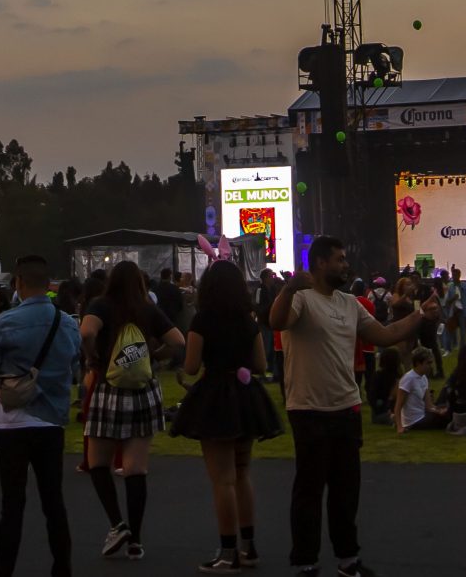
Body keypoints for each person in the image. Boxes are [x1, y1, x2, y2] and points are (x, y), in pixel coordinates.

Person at [270, 235, 437, 577]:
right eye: (340, 259)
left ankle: (348, 560)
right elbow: (275, 322)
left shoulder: (350, 303)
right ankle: (305, 561)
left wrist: (421, 315)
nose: (346, 265)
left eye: (345, 260)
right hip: (309, 410)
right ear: (320, 263)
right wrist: (287, 290)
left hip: (346, 408)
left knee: (346, 492)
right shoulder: (301, 298)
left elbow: (385, 335)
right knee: (310, 491)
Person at [171, 258, 279, 571]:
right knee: (243, 474)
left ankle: (227, 551)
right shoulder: (248, 321)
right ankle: (249, 547)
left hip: (215, 398)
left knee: (223, 480)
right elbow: (261, 365)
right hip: (246, 397)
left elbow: (192, 366)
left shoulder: (202, 320)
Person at [0, 255, 79, 577]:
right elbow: (73, 366)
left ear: (18, 283)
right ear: (49, 285)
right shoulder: (66, 322)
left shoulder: (5, 322)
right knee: (54, 502)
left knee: (12, 505)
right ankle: (62, 568)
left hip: (12, 421)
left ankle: (4, 570)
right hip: (51, 420)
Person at [81, 259, 183, 559]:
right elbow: (178, 341)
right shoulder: (147, 308)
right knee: (136, 467)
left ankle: (117, 523)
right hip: (143, 391)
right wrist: (154, 356)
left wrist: (93, 357)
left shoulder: (101, 305)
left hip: (108, 389)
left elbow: (86, 333)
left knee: (98, 462)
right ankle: (136, 540)